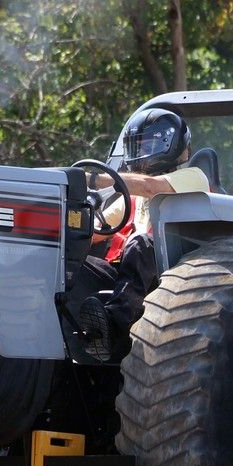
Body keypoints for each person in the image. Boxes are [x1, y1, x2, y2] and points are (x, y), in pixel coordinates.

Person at [79, 108, 209, 360]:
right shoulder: (135, 195)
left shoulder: (194, 177)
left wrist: (90, 180)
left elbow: (150, 187)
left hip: (175, 274)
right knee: (77, 262)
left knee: (140, 242)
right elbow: (99, 228)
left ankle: (113, 332)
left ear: (169, 145)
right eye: (136, 146)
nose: (140, 153)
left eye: (147, 144)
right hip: (133, 274)